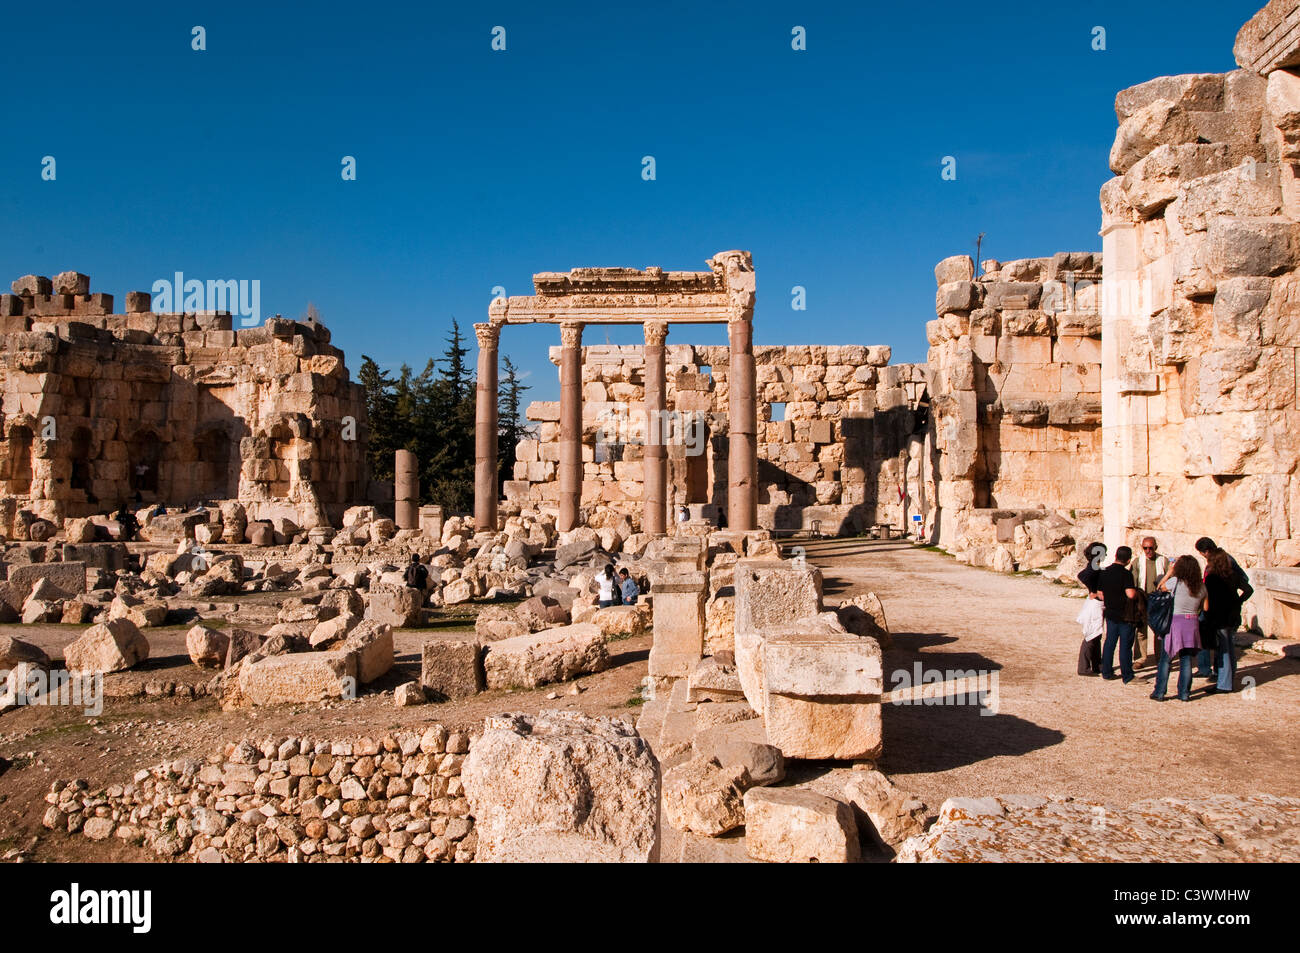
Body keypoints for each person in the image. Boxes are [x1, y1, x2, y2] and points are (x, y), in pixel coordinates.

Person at [1192, 537, 1250, 680]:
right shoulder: (1218, 566)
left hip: (1219, 610)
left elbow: (1243, 581)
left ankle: (1222, 675)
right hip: (1216, 609)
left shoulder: (1223, 566)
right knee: (1213, 639)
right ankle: (1208, 669)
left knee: (1223, 644)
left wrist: (1236, 601)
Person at [1151, 555, 1205, 702]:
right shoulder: (1201, 586)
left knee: (1166, 659)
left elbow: (1159, 588)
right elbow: (1205, 607)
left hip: (1175, 622)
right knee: (1186, 660)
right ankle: (1184, 693)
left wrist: (1169, 572)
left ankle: (1160, 692)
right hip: (1192, 623)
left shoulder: (1175, 582)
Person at [1203, 546, 1252, 694]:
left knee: (1224, 650)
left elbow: (1209, 599)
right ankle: (1228, 679)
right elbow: (1249, 590)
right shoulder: (1233, 575)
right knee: (1229, 648)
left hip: (1220, 617)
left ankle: (1224, 684)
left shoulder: (1212, 578)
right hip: (1233, 616)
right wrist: (1238, 601)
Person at [1099, 545, 1140, 683]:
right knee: (1125, 646)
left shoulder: (1104, 572)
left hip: (1110, 613)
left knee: (1110, 643)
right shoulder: (1126, 574)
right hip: (1125, 614)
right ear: (1128, 560)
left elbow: (1100, 593)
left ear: (1116, 556)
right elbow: (1130, 594)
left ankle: (1106, 672)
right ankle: (1127, 675)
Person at [1131, 537, 1169, 661]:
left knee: (1158, 630)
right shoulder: (1137, 562)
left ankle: (1160, 657)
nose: (1148, 551)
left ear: (1155, 547)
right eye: (1145, 548)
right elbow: (1133, 581)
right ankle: (1139, 658)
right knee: (1141, 630)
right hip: (1142, 599)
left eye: (1150, 548)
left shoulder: (1163, 561)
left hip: (1158, 600)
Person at [1075, 542, 1106, 676]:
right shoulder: (1094, 568)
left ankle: (1096, 665)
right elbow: (1083, 576)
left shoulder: (1095, 567)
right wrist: (1094, 591)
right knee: (1091, 635)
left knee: (1096, 635)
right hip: (1095, 604)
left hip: (1095, 603)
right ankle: (1084, 668)